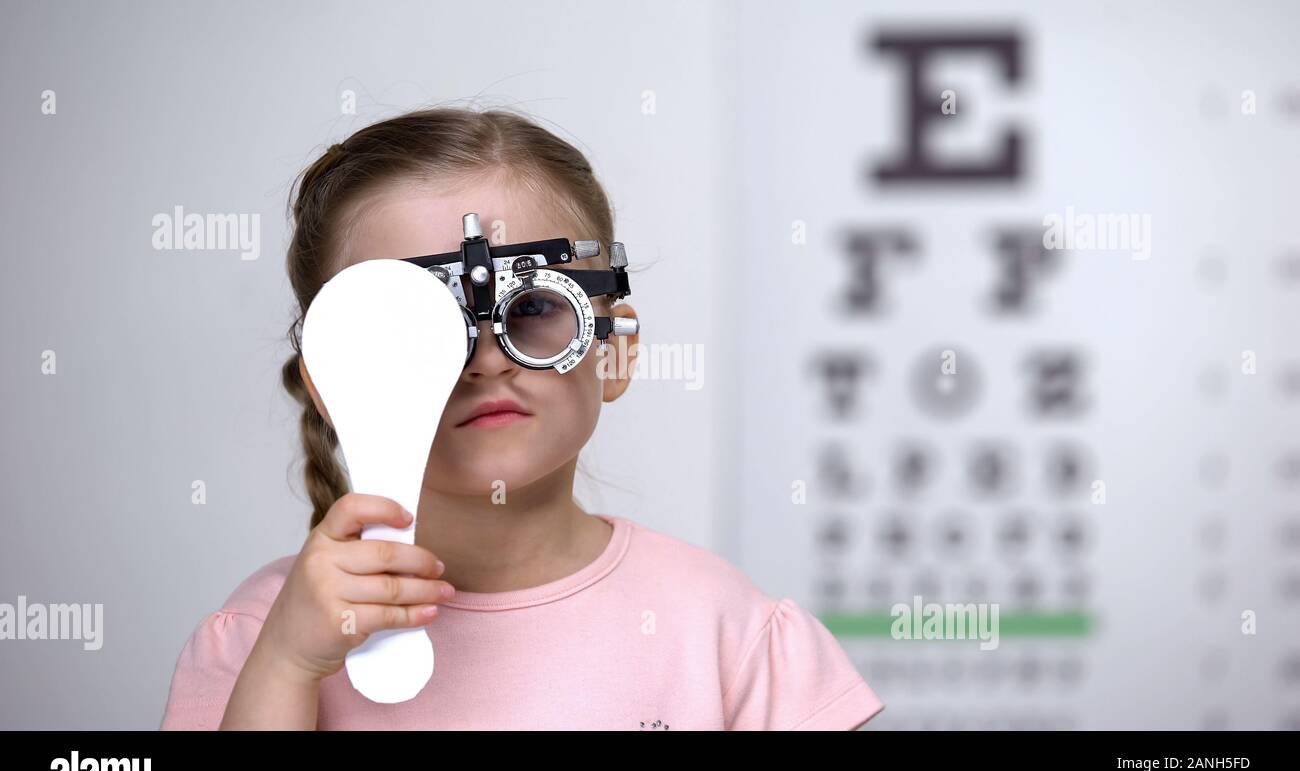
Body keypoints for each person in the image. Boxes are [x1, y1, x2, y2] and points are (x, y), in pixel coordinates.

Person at [160, 106, 884, 730]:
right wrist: (288, 665)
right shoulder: (264, 638)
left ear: (615, 352)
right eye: (418, 329)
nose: (483, 362)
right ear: (337, 385)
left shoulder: (725, 632)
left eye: (533, 309)